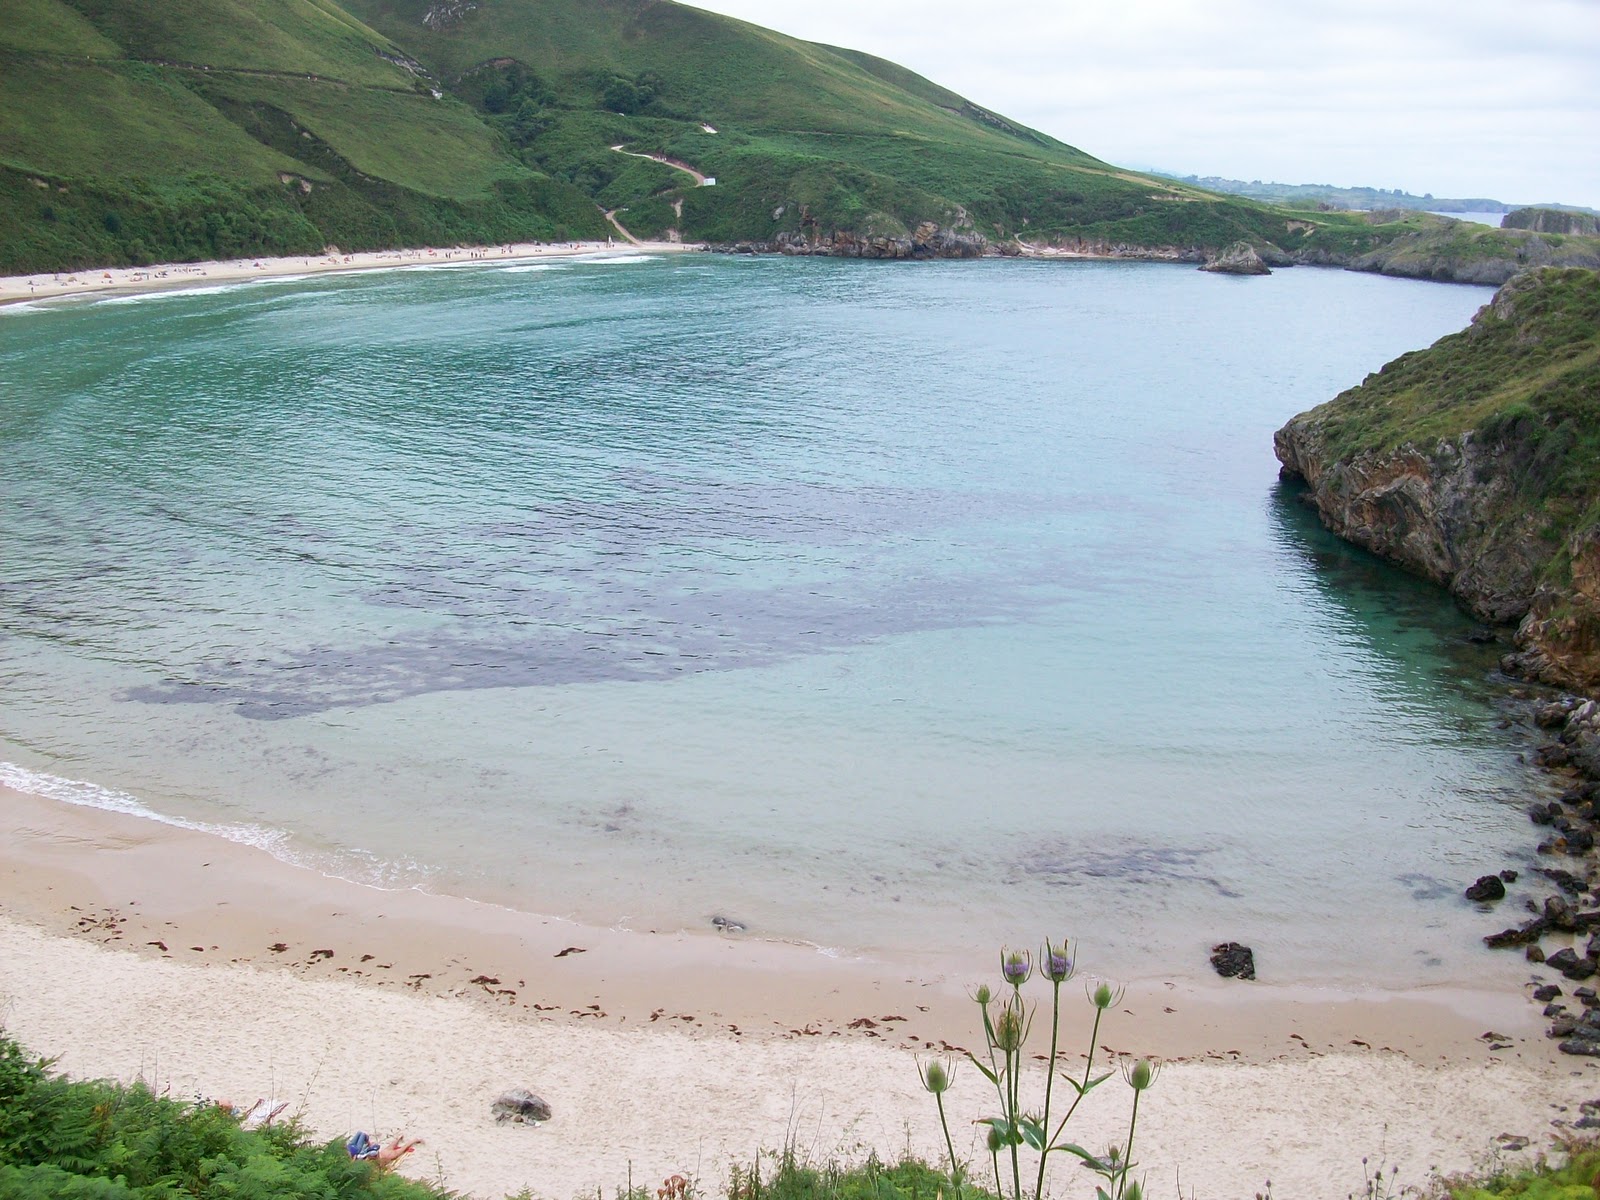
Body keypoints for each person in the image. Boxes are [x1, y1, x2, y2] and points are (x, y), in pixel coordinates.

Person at [346, 1131, 423, 1169]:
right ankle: (400, 1138)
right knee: (394, 1145)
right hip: (383, 1153)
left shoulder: (370, 1159)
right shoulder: (369, 1156)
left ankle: (412, 1140)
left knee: (400, 1147)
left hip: (387, 1155)